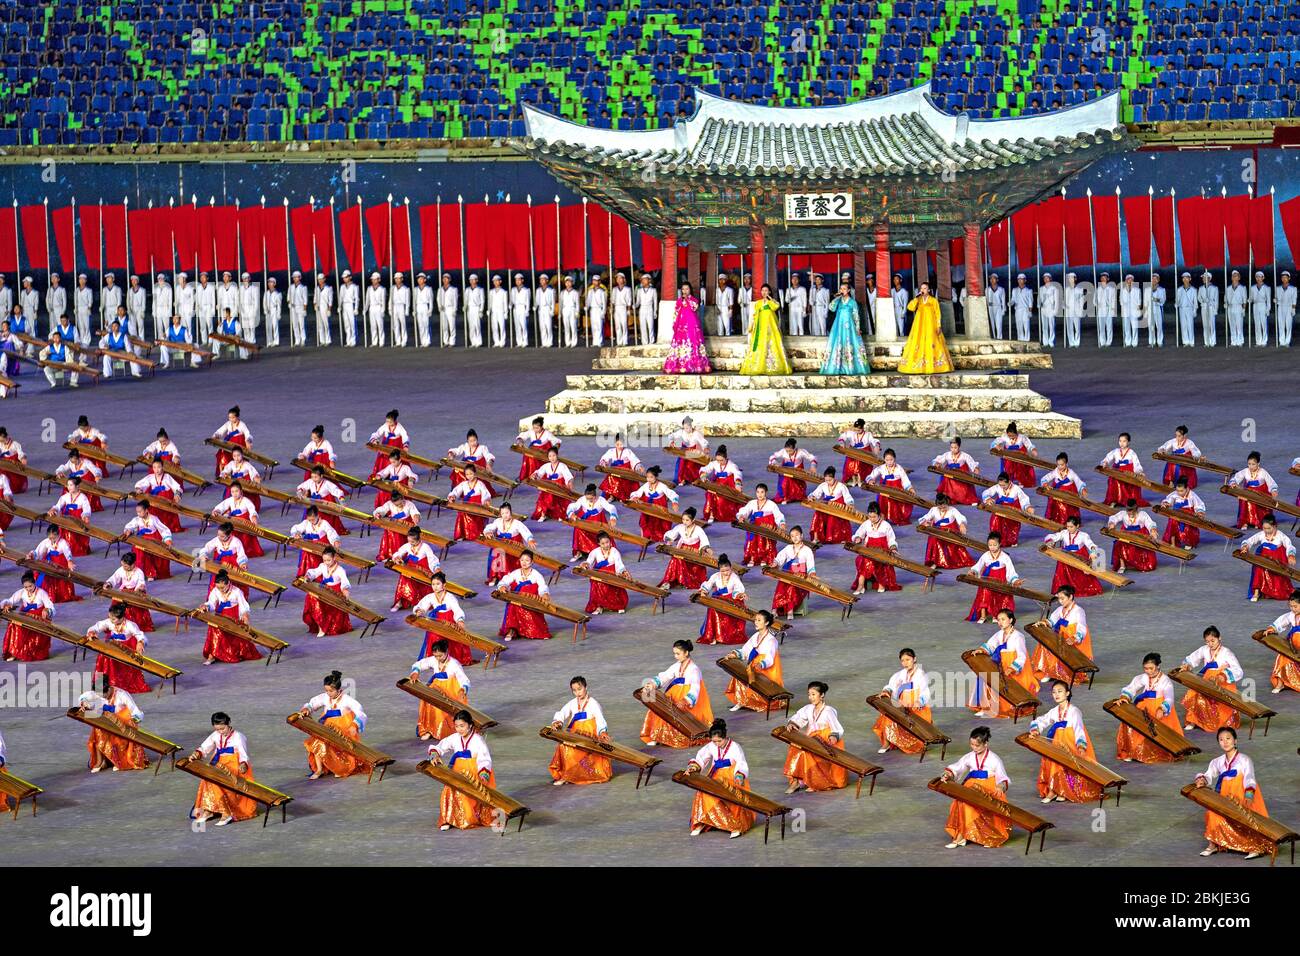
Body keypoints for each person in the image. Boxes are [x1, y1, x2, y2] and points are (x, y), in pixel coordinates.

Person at [1194, 727, 1270, 860]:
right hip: (1225, 797)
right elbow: (1208, 775)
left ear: (1235, 741)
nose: (1225, 742)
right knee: (1212, 813)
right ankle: (1213, 844)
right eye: (1221, 739)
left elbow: (1249, 778)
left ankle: (1253, 846)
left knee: (1248, 818)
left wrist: (1249, 794)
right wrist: (1202, 780)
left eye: (1228, 738)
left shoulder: (1245, 759)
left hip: (1243, 794)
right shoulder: (1217, 761)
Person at [940, 726, 1012, 848]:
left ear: (986, 744)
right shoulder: (969, 756)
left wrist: (1000, 786)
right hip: (971, 785)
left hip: (987, 788)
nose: (974, 748)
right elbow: (958, 767)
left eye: (977, 745)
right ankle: (961, 836)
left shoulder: (994, 759)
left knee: (968, 804)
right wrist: (948, 774)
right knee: (960, 802)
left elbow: (1002, 777)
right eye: (972, 745)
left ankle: (962, 837)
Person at [1028, 681, 1101, 803]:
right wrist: (1035, 730)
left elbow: (1079, 728)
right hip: (1058, 741)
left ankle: (1061, 790)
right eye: (1054, 692)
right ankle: (1056, 790)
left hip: (1071, 741)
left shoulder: (1074, 711)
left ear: (1067, 693)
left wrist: (1081, 746)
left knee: (1067, 764)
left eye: (1060, 691)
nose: (1056, 694)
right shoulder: (1054, 711)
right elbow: (1042, 720)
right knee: (1054, 761)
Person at [427, 710, 496, 831]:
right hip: (457, 771)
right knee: (448, 792)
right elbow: (440, 746)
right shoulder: (455, 738)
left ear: (470, 725)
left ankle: (466, 819)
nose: (459, 729)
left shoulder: (478, 740)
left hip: (474, 772)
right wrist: (435, 754)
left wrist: (483, 773)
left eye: (462, 726)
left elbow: (484, 758)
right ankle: (448, 818)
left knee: (466, 795)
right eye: (457, 726)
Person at [684, 719, 752, 838]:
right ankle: (702, 822)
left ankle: (734, 826)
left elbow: (741, 763)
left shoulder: (735, 747)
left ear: (725, 737)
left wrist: (739, 776)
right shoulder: (711, 746)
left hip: (731, 775)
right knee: (703, 792)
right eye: (714, 741)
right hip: (715, 774)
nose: (716, 744)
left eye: (719, 741)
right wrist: (693, 768)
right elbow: (700, 758)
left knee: (730, 796)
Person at [640, 639, 713, 747]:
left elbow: (695, 688)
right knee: (658, 709)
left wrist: (686, 700)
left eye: (678, 654)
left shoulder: (694, 669)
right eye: (674, 653)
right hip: (674, 692)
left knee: (680, 716)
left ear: (686, 653)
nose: (676, 656)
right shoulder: (676, 665)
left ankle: (672, 738)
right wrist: (653, 684)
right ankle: (656, 736)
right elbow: (665, 676)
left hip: (686, 696)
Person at [299, 671, 370, 779]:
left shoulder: (347, 700)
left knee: (337, 745)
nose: (328, 693)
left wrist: (354, 725)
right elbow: (312, 704)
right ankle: (319, 769)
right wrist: (306, 709)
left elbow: (360, 711)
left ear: (339, 690)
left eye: (331, 691)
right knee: (317, 741)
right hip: (327, 725)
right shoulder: (325, 697)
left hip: (342, 727)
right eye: (326, 690)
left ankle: (339, 768)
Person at [189, 712, 257, 826]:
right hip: (218, 763)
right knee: (207, 778)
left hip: (234, 765)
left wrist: (243, 764)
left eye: (222, 728)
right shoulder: (215, 735)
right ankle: (208, 810)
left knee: (216, 781)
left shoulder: (238, 736)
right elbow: (205, 747)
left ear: (228, 723)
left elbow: (243, 753)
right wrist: (196, 754)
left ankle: (226, 813)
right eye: (218, 729)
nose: (221, 731)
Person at [1116, 653, 1183, 762]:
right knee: (1131, 723)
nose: (1148, 671)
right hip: (1144, 705)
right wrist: (1125, 696)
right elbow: (1132, 687)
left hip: (1159, 707)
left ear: (1158, 666)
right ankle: (1131, 752)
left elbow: (1169, 698)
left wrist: (1162, 708)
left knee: (1154, 730)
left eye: (1151, 668)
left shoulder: (1165, 680)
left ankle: (1146, 754)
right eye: (1146, 668)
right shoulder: (1144, 677)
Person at [970, 610, 1037, 718]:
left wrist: (1012, 668)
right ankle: (986, 706)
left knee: (1000, 682)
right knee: (985, 676)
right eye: (999, 619)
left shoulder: (1018, 636)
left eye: (1003, 619)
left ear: (1010, 620)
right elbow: (991, 645)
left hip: (1014, 668)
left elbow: (1022, 656)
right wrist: (981, 650)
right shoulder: (1000, 634)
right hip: (1001, 664)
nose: (1000, 622)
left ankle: (996, 707)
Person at [783, 681, 846, 794]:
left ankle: (814, 781)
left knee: (805, 753)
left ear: (821, 695)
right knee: (795, 747)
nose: (810, 697)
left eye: (813, 694)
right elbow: (798, 718)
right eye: (809, 694)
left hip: (825, 743)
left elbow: (837, 728)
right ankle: (796, 781)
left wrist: (833, 737)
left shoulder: (829, 711)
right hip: (812, 740)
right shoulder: (808, 708)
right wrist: (792, 723)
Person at [548, 676, 613, 785]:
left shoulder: (593, 703)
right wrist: (558, 722)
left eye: (580, 689)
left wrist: (602, 732)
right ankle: (566, 775)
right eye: (574, 690)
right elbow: (562, 712)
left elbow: (600, 719)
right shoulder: (572, 703)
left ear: (586, 687)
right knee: (563, 746)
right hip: (575, 733)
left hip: (589, 735)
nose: (577, 693)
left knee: (574, 749)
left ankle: (572, 776)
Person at [1178, 626, 1243, 733]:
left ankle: (1215, 722)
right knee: (1193, 693)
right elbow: (1191, 659)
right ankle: (1192, 720)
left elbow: (1238, 670)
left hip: (1222, 682)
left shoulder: (1226, 652)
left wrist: (1223, 676)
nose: (1210, 644)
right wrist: (1187, 666)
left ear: (1219, 638)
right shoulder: (1204, 650)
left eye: (1213, 640)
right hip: (1207, 679)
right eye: (1207, 641)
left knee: (1219, 701)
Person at [78, 679, 149, 772]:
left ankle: (118, 761)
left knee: (112, 728)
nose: (102, 698)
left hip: (122, 723)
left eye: (104, 695)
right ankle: (101, 760)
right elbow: (84, 697)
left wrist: (130, 723)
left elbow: (137, 713)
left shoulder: (122, 694)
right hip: (107, 722)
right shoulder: (98, 691)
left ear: (108, 690)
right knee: (97, 727)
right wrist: (84, 703)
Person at [873, 647, 932, 754]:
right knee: (886, 714)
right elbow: (890, 686)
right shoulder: (899, 675)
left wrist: (919, 701)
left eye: (908, 660)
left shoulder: (921, 674)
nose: (905, 663)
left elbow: (925, 692)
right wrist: (886, 691)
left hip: (917, 707)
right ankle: (886, 744)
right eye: (902, 660)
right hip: (902, 706)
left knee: (914, 725)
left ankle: (919, 741)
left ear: (914, 659)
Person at [410, 638, 470, 739]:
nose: (438, 658)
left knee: (442, 710)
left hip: (450, 689)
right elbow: (419, 664)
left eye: (440, 655)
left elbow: (463, 679)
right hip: (436, 687)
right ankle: (428, 730)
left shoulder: (454, 664)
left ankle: (440, 731)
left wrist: (463, 689)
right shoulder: (434, 660)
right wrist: (416, 672)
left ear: (446, 652)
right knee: (428, 703)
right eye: (436, 656)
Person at [86, 602, 151, 694]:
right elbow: (98, 626)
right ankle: (102, 686)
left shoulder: (130, 625)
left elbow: (140, 635)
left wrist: (140, 642)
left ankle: (120, 686)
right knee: (103, 660)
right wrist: (92, 632)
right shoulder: (109, 622)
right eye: (110, 617)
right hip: (111, 645)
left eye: (113, 619)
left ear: (122, 617)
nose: (110, 620)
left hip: (126, 647)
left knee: (126, 666)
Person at [202, 570, 260, 664]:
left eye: (222, 587)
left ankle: (233, 653)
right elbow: (211, 603)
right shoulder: (215, 590)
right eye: (218, 587)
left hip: (233, 615)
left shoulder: (236, 591)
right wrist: (206, 606)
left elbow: (243, 605)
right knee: (213, 628)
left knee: (235, 632)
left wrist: (244, 614)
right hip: (220, 614)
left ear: (228, 583)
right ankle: (212, 655)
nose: (220, 589)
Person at [966, 533, 1021, 623]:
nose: (992, 547)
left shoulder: (1005, 557)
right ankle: (983, 616)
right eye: (990, 545)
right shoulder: (986, 555)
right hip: (987, 578)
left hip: (1000, 578)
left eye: (994, 545)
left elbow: (1011, 571)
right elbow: (978, 566)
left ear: (999, 544)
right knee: (984, 595)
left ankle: (996, 615)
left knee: (999, 596)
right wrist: (973, 571)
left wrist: (1015, 580)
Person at [1, 572, 56, 661]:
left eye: (30, 586)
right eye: (26, 587)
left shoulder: (42, 593)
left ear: (34, 583)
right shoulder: (22, 592)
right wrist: (7, 605)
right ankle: (14, 652)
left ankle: (30, 653)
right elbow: (11, 600)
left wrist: (47, 610)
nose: (28, 589)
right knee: (14, 624)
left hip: (38, 616)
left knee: (35, 629)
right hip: (25, 614)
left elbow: (50, 606)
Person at [899, 282, 952, 373]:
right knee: (918, 341)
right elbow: (910, 307)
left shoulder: (933, 300)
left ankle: (934, 365)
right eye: (921, 288)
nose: (922, 290)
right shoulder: (918, 300)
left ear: (929, 290)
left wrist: (939, 325)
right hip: (919, 325)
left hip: (931, 325)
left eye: (924, 288)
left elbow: (937, 314)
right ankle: (919, 366)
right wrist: (916, 298)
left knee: (931, 342)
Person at [1239, 516, 1295, 602]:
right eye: (1264, 528)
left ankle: (1274, 590)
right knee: (1258, 570)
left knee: (1277, 574)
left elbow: (1289, 545)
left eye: (1268, 528)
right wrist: (1245, 547)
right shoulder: (1261, 534)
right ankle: (1256, 592)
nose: (1266, 530)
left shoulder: (1281, 535)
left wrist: (1291, 555)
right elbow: (1250, 540)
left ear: (1275, 526)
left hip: (1276, 558)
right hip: (1263, 557)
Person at [739, 283, 790, 374]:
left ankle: (773, 366)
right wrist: (752, 326)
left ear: (769, 291)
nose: (764, 292)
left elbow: (776, 307)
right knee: (760, 345)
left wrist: (770, 298)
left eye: (766, 290)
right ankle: (759, 366)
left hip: (770, 326)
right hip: (761, 326)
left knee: (772, 344)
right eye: (762, 290)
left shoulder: (772, 302)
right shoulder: (758, 303)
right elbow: (755, 315)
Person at [821, 279, 869, 373]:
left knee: (850, 343)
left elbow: (856, 316)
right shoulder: (838, 301)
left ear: (848, 290)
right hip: (838, 326)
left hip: (849, 327)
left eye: (844, 289)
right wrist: (836, 298)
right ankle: (837, 366)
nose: (842, 290)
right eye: (841, 289)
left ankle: (850, 366)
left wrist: (858, 328)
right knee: (838, 343)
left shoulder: (852, 302)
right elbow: (831, 308)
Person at [851, 503, 900, 594]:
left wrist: (893, 548)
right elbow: (859, 534)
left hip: (882, 550)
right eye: (870, 516)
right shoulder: (866, 523)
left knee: (880, 563)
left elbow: (891, 539)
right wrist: (858, 538)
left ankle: (882, 584)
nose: (871, 519)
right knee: (862, 561)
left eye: (874, 517)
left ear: (879, 515)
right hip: (869, 549)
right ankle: (860, 586)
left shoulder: (886, 525)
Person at [663, 281, 709, 373]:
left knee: (693, 342)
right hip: (681, 326)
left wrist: (687, 299)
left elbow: (694, 308)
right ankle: (680, 365)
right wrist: (675, 323)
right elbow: (676, 313)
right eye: (683, 289)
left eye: (687, 289)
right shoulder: (679, 301)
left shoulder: (694, 300)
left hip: (692, 325)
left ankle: (696, 365)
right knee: (681, 343)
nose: (685, 291)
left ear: (690, 290)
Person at [918, 494, 975, 569]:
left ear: (948, 504)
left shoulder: (952, 510)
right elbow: (926, 517)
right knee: (934, 539)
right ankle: (935, 561)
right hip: (937, 531)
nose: (942, 508)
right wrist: (925, 521)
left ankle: (946, 560)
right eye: (939, 506)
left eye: (944, 506)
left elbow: (960, 517)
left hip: (950, 531)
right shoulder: (933, 510)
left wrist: (961, 524)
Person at [771, 527, 817, 619]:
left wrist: (811, 573)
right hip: (787, 572)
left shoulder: (807, 550)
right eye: (792, 536)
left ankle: (790, 610)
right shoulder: (788, 548)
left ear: (802, 536)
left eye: (797, 535)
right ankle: (774, 610)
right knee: (781, 585)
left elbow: (810, 565)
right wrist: (775, 562)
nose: (795, 538)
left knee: (791, 586)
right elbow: (779, 558)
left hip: (800, 575)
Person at [735, 485, 785, 568]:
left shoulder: (771, 504)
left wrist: (782, 523)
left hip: (766, 526)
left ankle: (764, 558)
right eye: (758, 492)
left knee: (765, 542)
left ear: (766, 492)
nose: (760, 494)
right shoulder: (752, 503)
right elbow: (745, 510)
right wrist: (741, 516)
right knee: (752, 541)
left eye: (762, 492)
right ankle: (753, 558)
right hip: (754, 525)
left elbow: (778, 515)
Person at [1263, 590, 1300, 695]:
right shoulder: (1291, 615)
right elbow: (1280, 622)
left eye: (1295, 606)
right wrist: (1272, 629)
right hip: (1292, 644)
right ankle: (1280, 683)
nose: (1292, 609)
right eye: (1291, 606)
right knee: (1282, 655)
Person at [1107, 499, 1159, 574]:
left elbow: (1150, 523)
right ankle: (1122, 565)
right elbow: (1114, 517)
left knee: (1142, 547)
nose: (1129, 513)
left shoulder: (1142, 514)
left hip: (1139, 535)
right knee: (1118, 544)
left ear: (1136, 509)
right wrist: (1112, 523)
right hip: (1126, 533)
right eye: (1128, 511)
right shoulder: (1123, 514)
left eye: (1132, 512)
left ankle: (1141, 564)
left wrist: (1152, 529)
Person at [1228, 452, 1277, 530]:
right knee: (1244, 502)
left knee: (1259, 506)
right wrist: (1233, 483)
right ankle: (1245, 522)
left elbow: (1270, 482)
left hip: (1260, 492)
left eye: (1253, 464)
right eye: (1249, 464)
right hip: (1248, 491)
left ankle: (1257, 522)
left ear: (1258, 464)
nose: (1251, 466)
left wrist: (1273, 490)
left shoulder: (1263, 472)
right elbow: (1236, 477)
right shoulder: (1245, 471)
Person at [865, 448, 915, 525]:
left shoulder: (899, 468)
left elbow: (905, 480)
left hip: (896, 489)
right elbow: (871, 476)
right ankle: (884, 517)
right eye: (887, 460)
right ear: (884, 459)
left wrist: (910, 488)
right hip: (884, 489)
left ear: (894, 459)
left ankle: (895, 518)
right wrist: (870, 480)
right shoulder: (881, 468)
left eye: (891, 459)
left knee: (895, 504)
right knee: (883, 503)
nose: (889, 462)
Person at [1100, 433, 1149, 506]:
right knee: (1112, 480)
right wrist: (1105, 463)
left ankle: (1126, 500)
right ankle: (1114, 500)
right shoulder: (1115, 451)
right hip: (1116, 470)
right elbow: (1108, 458)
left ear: (1128, 442)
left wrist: (1139, 472)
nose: (1122, 443)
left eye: (1124, 441)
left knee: (1128, 482)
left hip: (1127, 472)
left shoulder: (1132, 453)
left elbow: (1136, 464)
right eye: (1120, 441)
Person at [1039, 453, 1088, 525]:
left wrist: (1083, 489)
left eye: (1062, 465)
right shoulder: (1055, 471)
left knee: (1069, 506)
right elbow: (1046, 478)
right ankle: (1058, 520)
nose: (1060, 467)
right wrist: (1045, 484)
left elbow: (1078, 481)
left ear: (1066, 464)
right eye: (1058, 465)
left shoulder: (1071, 473)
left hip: (1068, 491)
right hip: (1057, 491)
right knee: (1058, 505)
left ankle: (1068, 522)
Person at [698, 446, 743, 524]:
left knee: (722, 499)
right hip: (717, 483)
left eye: (721, 460)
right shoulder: (714, 463)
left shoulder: (732, 465)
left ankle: (722, 515)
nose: (719, 462)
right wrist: (703, 475)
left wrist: (738, 484)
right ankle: (711, 514)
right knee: (710, 495)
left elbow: (737, 473)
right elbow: (704, 469)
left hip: (728, 484)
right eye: (717, 460)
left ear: (726, 458)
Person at [932, 437, 981, 505]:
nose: (953, 449)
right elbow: (940, 460)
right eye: (951, 447)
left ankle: (964, 498)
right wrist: (938, 463)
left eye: (955, 447)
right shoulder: (947, 454)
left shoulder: (964, 455)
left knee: (963, 486)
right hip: (950, 473)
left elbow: (971, 462)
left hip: (961, 474)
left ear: (959, 446)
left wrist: (975, 468)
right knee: (947, 478)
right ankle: (950, 498)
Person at [1161, 477, 1206, 550]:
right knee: (1172, 524)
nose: (1179, 493)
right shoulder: (1174, 494)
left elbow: (1199, 504)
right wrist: (1166, 504)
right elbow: (1168, 500)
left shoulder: (1192, 495)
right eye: (1177, 490)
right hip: (1176, 513)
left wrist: (1199, 512)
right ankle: (1173, 543)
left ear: (1187, 488)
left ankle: (1188, 542)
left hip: (1188, 514)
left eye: (1181, 491)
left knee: (1188, 527)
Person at [768, 437, 816, 503]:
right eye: (787, 451)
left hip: (797, 471)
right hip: (785, 470)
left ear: (794, 448)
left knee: (797, 485)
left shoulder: (801, 452)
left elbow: (813, 458)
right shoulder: (783, 451)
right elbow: (772, 457)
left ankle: (794, 497)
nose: (788, 452)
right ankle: (785, 497)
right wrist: (775, 463)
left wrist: (813, 466)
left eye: (790, 451)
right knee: (784, 483)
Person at [596, 435, 642, 502]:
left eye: (621, 444)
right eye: (618, 444)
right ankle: (612, 496)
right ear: (615, 443)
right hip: (614, 469)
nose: (620, 446)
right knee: (610, 477)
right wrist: (604, 463)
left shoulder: (627, 451)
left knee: (623, 480)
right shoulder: (611, 451)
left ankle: (622, 496)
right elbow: (604, 458)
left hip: (625, 470)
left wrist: (638, 466)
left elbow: (633, 459)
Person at [837, 420, 879, 487]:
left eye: (859, 428)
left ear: (862, 428)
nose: (857, 430)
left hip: (864, 451)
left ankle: (860, 480)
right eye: (856, 428)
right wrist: (842, 442)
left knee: (860, 465)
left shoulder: (868, 434)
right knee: (850, 464)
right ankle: (854, 480)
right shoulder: (851, 433)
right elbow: (842, 436)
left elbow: (874, 441)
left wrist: (876, 445)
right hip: (853, 451)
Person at [1224, 269, 1247, 346]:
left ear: (1239, 278)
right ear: (1231, 278)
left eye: (1236, 276)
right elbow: (1225, 299)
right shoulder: (1228, 288)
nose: (1234, 277)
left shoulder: (1242, 288)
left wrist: (1243, 309)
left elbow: (1244, 300)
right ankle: (1233, 341)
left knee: (1239, 325)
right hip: (1230, 307)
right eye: (1233, 276)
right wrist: (1225, 304)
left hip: (1238, 307)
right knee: (1232, 325)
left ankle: (1240, 341)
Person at [1175, 272, 1198, 346]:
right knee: (1183, 326)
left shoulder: (1194, 290)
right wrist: (1176, 304)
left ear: (1190, 279)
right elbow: (1177, 300)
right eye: (1183, 278)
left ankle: (1191, 341)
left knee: (1190, 325)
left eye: (1186, 278)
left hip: (1189, 309)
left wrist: (1195, 310)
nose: (1185, 279)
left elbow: (1195, 302)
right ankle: (1185, 341)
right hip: (1182, 309)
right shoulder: (1179, 289)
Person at [1037, 272, 1060, 347]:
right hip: (1043, 309)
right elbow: (1039, 298)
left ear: (1050, 279)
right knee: (1044, 326)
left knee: (1051, 326)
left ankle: (1051, 341)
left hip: (1051, 308)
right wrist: (1038, 304)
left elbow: (1056, 300)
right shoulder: (1041, 289)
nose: (1046, 279)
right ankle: (1045, 342)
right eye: (1044, 278)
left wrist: (1055, 310)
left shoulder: (1054, 289)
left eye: (1047, 278)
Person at [364, 271, 386, 346]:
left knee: (380, 325)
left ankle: (381, 341)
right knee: (373, 326)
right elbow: (367, 300)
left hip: (378, 307)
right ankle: (374, 341)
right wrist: (365, 309)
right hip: (372, 308)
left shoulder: (382, 289)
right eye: (372, 279)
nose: (373, 281)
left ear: (379, 279)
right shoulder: (369, 288)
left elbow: (383, 301)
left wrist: (383, 310)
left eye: (375, 279)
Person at [1119, 274, 1142, 347]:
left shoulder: (1137, 290)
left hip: (1134, 311)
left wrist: (1138, 307)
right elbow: (1121, 300)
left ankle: (1135, 342)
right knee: (1126, 327)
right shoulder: (1122, 290)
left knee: (1134, 327)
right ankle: (1128, 342)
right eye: (1128, 279)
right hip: (1126, 311)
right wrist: (1123, 305)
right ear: (1126, 281)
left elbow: (1139, 300)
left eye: (1131, 279)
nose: (1130, 281)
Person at [1062, 272, 1085, 347]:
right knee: (1069, 327)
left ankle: (1077, 342)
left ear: (1075, 279)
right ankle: (1071, 342)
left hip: (1077, 311)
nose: (1070, 279)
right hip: (1069, 311)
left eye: (1072, 278)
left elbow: (1082, 301)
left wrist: (1081, 311)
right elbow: (1064, 300)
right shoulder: (1066, 289)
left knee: (1077, 328)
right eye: (1069, 278)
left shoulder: (1080, 289)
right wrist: (1064, 306)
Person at [437, 273, 459, 348]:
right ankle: (445, 341)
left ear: (449, 279)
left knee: (452, 326)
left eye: (446, 278)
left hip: (450, 308)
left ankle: (452, 341)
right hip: (443, 309)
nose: (445, 280)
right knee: (444, 326)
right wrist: (439, 306)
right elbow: (438, 299)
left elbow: (455, 300)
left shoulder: (453, 289)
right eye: (443, 278)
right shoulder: (440, 289)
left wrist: (455, 310)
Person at [287, 270, 308, 347]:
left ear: (300, 278)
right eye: (294, 277)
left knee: (301, 325)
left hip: (300, 307)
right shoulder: (291, 287)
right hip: (293, 307)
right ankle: (297, 340)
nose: (295, 278)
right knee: (294, 324)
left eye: (296, 277)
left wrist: (304, 309)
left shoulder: (303, 287)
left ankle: (303, 339)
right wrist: (289, 303)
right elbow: (288, 297)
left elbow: (305, 299)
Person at [635, 272, 657, 344]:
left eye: (645, 279)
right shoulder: (639, 290)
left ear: (649, 280)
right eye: (642, 280)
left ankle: (651, 341)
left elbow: (655, 302)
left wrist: (655, 312)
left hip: (650, 308)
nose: (643, 281)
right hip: (642, 309)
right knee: (643, 326)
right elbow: (638, 302)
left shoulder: (653, 290)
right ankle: (644, 342)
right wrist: (635, 305)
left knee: (650, 326)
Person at [532, 273, 554, 348]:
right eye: (540, 280)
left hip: (547, 308)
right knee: (542, 326)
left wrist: (552, 310)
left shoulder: (550, 290)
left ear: (547, 280)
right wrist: (535, 306)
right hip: (541, 309)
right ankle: (544, 342)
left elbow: (553, 301)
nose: (541, 281)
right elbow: (537, 300)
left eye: (543, 279)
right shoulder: (538, 290)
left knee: (548, 326)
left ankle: (549, 342)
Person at [1197, 270, 1219, 346]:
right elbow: (1199, 298)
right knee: (1205, 325)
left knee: (1211, 325)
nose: (1203, 279)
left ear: (1209, 278)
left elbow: (1216, 300)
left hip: (1211, 308)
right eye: (1203, 278)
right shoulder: (1201, 288)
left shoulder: (1214, 288)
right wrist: (1203, 300)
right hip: (1204, 307)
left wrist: (1215, 310)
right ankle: (1206, 342)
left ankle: (1212, 341)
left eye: (1205, 277)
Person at [611, 272, 632, 345]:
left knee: (624, 325)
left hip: (623, 308)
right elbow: (612, 300)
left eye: (620, 278)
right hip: (616, 308)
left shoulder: (627, 289)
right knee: (617, 326)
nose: (619, 280)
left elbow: (629, 300)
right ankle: (619, 342)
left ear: (623, 279)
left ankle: (625, 341)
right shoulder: (614, 289)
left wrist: (629, 309)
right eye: (617, 278)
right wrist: (611, 308)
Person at [1249, 271, 1270, 345]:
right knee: (1257, 324)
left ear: (1263, 278)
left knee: (1263, 324)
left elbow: (1268, 300)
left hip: (1263, 305)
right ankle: (1258, 341)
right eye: (1257, 277)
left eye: (1260, 276)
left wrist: (1268, 309)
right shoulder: (1252, 287)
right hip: (1255, 306)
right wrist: (1249, 300)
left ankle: (1264, 341)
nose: (1258, 278)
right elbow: (1251, 298)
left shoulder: (1267, 288)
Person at [1010, 273, 1033, 341]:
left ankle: (1027, 339)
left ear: (1025, 280)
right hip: (1018, 310)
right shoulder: (1014, 290)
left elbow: (1030, 302)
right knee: (1019, 325)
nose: (1020, 281)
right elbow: (1013, 299)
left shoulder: (1029, 290)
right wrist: (1010, 303)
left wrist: (1030, 311)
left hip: (1026, 310)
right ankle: (1020, 339)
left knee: (1026, 325)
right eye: (1019, 279)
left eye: (1022, 279)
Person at [1145, 273, 1166, 347]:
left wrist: (1156, 299)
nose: (1154, 280)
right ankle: (1152, 342)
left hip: (1158, 308)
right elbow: (1145, 301)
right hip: (1150, 309)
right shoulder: (1147, 289)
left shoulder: (1162, 289)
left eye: (1156, 279)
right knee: (1151, 326)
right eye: (1153, 278)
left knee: (1159, 326)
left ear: (1158, 280)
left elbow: (1163, 300)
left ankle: (1160, 341)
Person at [337, 269, 358, 346]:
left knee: (352, 324)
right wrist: (339, 306)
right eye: (343, 278)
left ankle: (353, 340)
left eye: (346, 277)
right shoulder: (342, 287)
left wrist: (356, 308)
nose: (344, 279)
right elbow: (341, 297)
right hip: (344, 306)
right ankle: (348, 340)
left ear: (349, 277)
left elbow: (356, 298)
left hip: (350, 305)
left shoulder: (354, 286)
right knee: (346, 324)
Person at [587, 274, 608, 347]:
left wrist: (603, 312)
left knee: (599, 326)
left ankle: (599, 341)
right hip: (593, 309)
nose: (595, 282)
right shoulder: (590, 291)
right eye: (594, 280)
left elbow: (604, 303)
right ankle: (594, 341)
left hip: (599, 309)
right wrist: (587, 306)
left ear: (599, 282)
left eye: (597, 281)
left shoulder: (602, 291)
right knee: (593, 326)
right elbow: (588, 301)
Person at [510, 273, 531, 346]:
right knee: (517, 326)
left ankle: (525, 341)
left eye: (519, 280)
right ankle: (519, 342)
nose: (517, 281)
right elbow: (512, 300)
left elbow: (528, 301)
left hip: (522, 308)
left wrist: (527, 310)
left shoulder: (526, 290)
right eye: (516, 280)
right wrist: (510, 304)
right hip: (516, 308)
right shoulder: (513, 289)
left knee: (523, 326)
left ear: (522, 280)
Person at [488, 274, 509, 347]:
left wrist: (506, 312)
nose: (495, 282)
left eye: (497, 281)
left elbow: (505, 303)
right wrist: (489, 309)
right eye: (494, 281)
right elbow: (490, 302)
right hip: (494, 311)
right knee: (494, 327)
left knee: (502, 327)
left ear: (500, 282)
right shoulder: (491, 292)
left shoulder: (504, 292)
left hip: (501, 311)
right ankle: (496, 341)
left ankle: (502, 341)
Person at [464, 273, 485, 348]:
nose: (472, 281)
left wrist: (481, 310)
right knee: (471, 326)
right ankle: (473, 342)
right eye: (471, 280)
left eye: (474, 280)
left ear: (476, 280)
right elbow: (466, 299)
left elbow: (482, 301)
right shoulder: (467, 290)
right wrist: (465, 306)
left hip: (476, 308)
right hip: (470, 309)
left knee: (477, 325)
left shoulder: (480, 289)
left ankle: (479, 341)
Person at [1277, 270, 1295, 347]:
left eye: (1286, 278)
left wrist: (1293, 309)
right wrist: (1276, 301)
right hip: (1280, 307)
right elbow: (1277, 298)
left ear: (1289, 278)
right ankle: (1282, 342)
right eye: (1283, 278)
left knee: (1288, 325)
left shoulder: (1293, 288)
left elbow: (1294, 299)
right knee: (1281, 325)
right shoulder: (1278, 288)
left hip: (1289, 307)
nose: (1284, 279)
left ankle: (1287, 342)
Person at [985, 272, 1006, 339]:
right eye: (991, 279)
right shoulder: (987, 289)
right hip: (990, 307)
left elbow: (1003, 300)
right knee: (992, 323)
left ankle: (999, 337)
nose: (992, 280)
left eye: (994, 278)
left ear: (997, 280)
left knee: (999, 323)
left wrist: (1003, 309)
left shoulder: (1001, 289)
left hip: (998, 307)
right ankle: (993, 337)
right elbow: (986, 300)